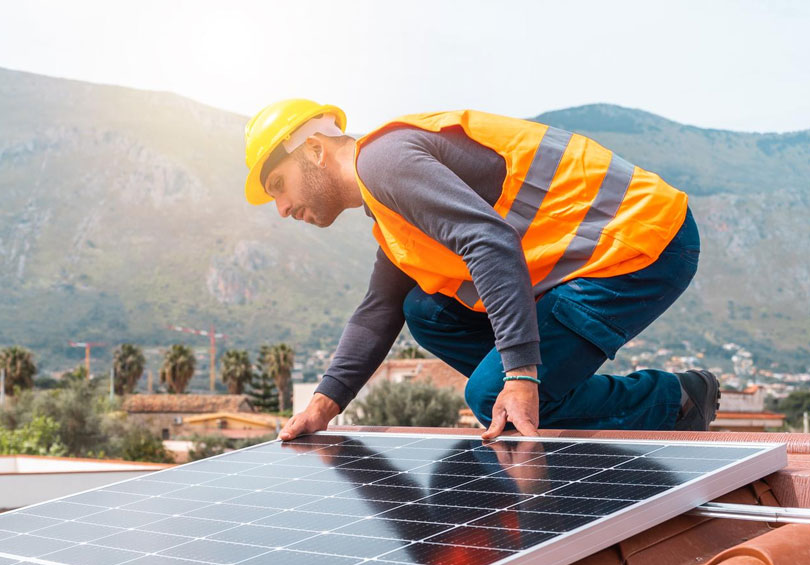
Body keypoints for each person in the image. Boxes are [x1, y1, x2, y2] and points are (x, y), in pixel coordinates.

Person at [242, 100, 718, 441]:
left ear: (315, 151)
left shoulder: (383, 162)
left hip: (639, 243)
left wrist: (520, 376)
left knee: (496, 391)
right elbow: (378, 310)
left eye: (279, 185)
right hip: (588, 261)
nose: (281, 207)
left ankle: (675, 399)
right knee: (423, 309)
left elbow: (488, 242)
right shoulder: (386, 204)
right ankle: (542, 397)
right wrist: (324, 405)